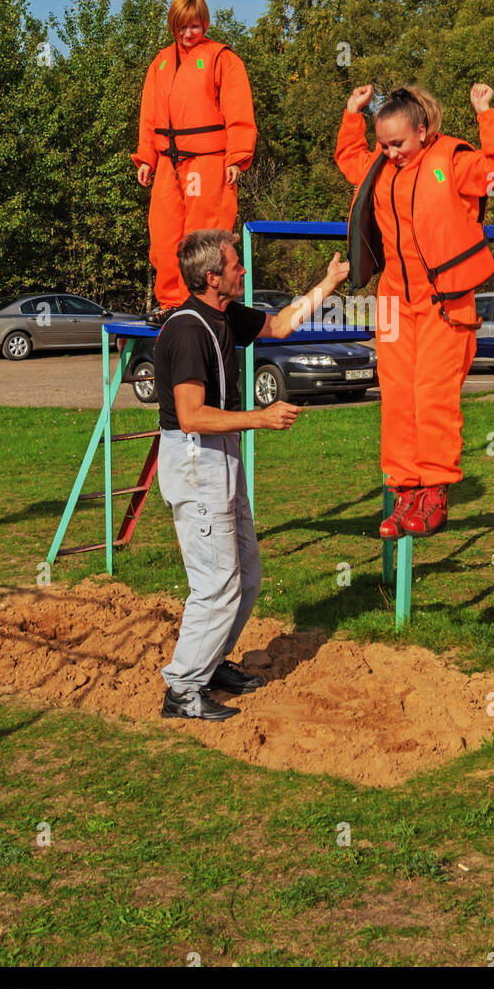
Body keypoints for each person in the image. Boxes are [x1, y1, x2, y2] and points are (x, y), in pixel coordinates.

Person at [155, 227, 350, 721]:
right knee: (217, 582)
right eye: (235, 263)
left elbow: (282, 325)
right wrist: (261, 418)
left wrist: (327, 283)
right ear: (212, 277)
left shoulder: (225, 315)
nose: (243, 268)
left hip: (220, 454)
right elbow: (191, 415)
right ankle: (182, 690)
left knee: (247, 575)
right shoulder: (187, 330)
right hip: (197, 457)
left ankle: (211, 662)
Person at [335, 81, 494, 539]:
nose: (390, 152)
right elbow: (349, 161)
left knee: (432, 394)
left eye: (397, 143)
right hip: (393, 300)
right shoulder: (380, 166)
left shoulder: (452, 161)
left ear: (422, 131)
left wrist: (485, 113)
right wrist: (350, 114)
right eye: (383, 144)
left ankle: (435, 492)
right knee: (397, 396)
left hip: (445, 298)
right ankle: (404, 492)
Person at [133, 0, 257, 323]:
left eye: (196, 26)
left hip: (209, 161)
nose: (189, 33)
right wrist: (146, 156)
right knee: (163, 238)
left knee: (203, 239)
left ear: (205, 24)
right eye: (183, 27)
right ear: (173, 27)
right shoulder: (160, 63)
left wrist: (236, 157)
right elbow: (148, 115)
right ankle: (171, 303)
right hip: (167, 164)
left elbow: (239, 110)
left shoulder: (221, 59)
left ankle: (203, 303)